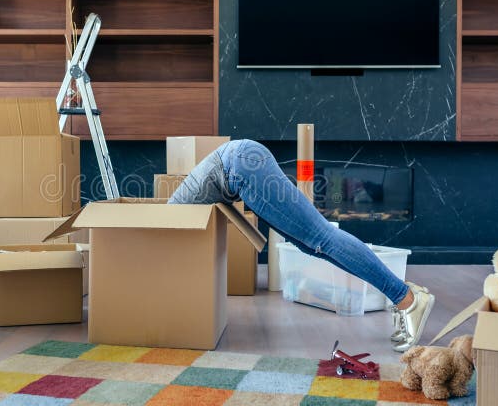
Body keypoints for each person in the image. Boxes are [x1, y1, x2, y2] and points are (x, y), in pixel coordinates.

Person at [168, 139, 434, 352]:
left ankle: (407, 299)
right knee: (313, 245)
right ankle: (405, 295)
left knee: (322, 237)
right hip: (241, 162)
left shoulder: (161, 236)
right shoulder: (162, 231)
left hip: (241, 166)